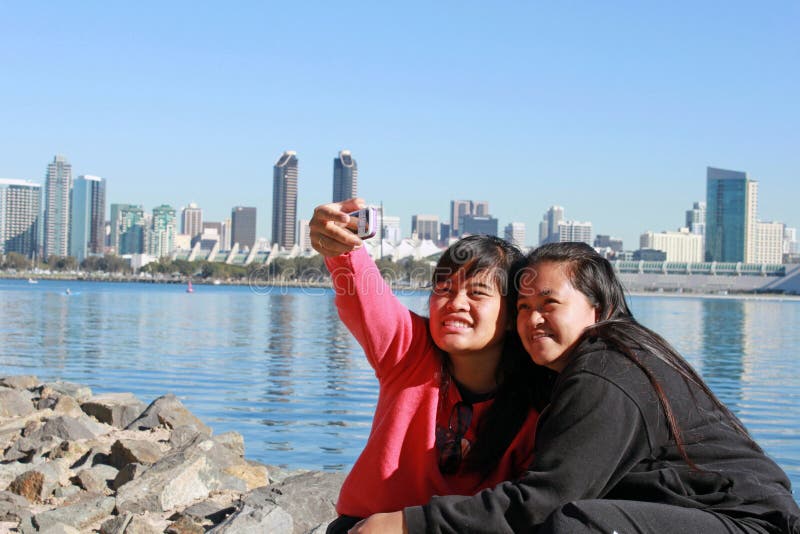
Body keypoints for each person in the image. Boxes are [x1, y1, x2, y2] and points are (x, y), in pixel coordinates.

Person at [354, 242, 800, 533]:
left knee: (576, 525)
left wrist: (407, 525)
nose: (533, 319)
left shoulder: (609, 368)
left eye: (550, 304)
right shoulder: (563, 374)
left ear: (599, 308)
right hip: (697, 515)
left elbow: (544, 501)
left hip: (747, 524)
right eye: (524, 307)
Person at [310, 199, 553, 534]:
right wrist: (340, 245)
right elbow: (361, 289)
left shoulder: (537, 402)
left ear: (513, 314)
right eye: (443, 288)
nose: (455, 304)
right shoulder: (409, 350)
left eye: (477, 292)